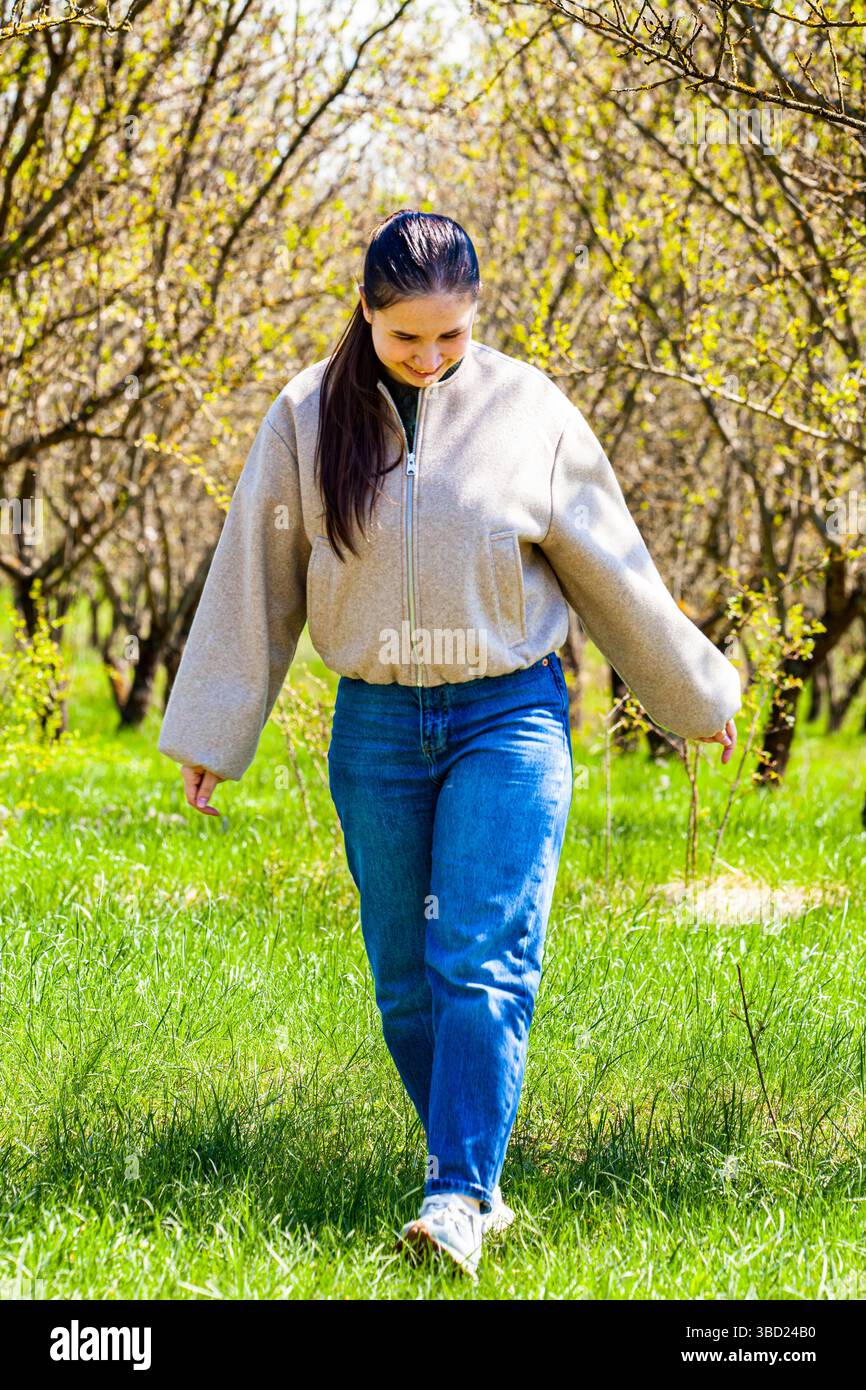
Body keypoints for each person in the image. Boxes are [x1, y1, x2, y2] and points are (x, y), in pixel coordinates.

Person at [157, 209, 740, 1283]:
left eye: (450, 338)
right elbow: (257, 579)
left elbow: (609, 566)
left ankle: (458, 1192)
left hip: (507, 716)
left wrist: (690, 693)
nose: (429, 359)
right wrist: (211, 731)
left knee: (477, 956)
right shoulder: (301, 417)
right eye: (405, 338)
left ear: (475, 318)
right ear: (364, 312)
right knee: (405, 980)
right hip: (375, 726)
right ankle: (469, 1165)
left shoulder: (528, 412)